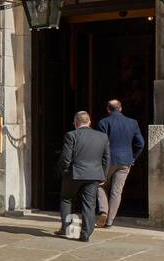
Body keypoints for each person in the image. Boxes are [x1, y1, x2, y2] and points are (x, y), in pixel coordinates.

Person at [57, 110, 109, 242]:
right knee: (89, 204)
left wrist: (64, 172)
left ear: (75, 123)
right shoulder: (102, 137)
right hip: (93, 175)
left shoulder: (71, 135)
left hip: (74, 173)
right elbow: (106, 158)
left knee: (66, 199)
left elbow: (65, 158)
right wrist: (103, 175)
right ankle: (85, 234)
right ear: (90, 122)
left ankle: (67, 229)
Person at [96, 99, 144, 228]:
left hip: (108, 161)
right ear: (120, 108)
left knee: (100, 185)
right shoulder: (132, 123)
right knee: (117, 191)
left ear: (108, 109)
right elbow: (140, 143)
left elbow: (101, 144)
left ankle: (103, 211)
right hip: (125, 161)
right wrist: (133, 157)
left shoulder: (103, 122)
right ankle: (110, 221)